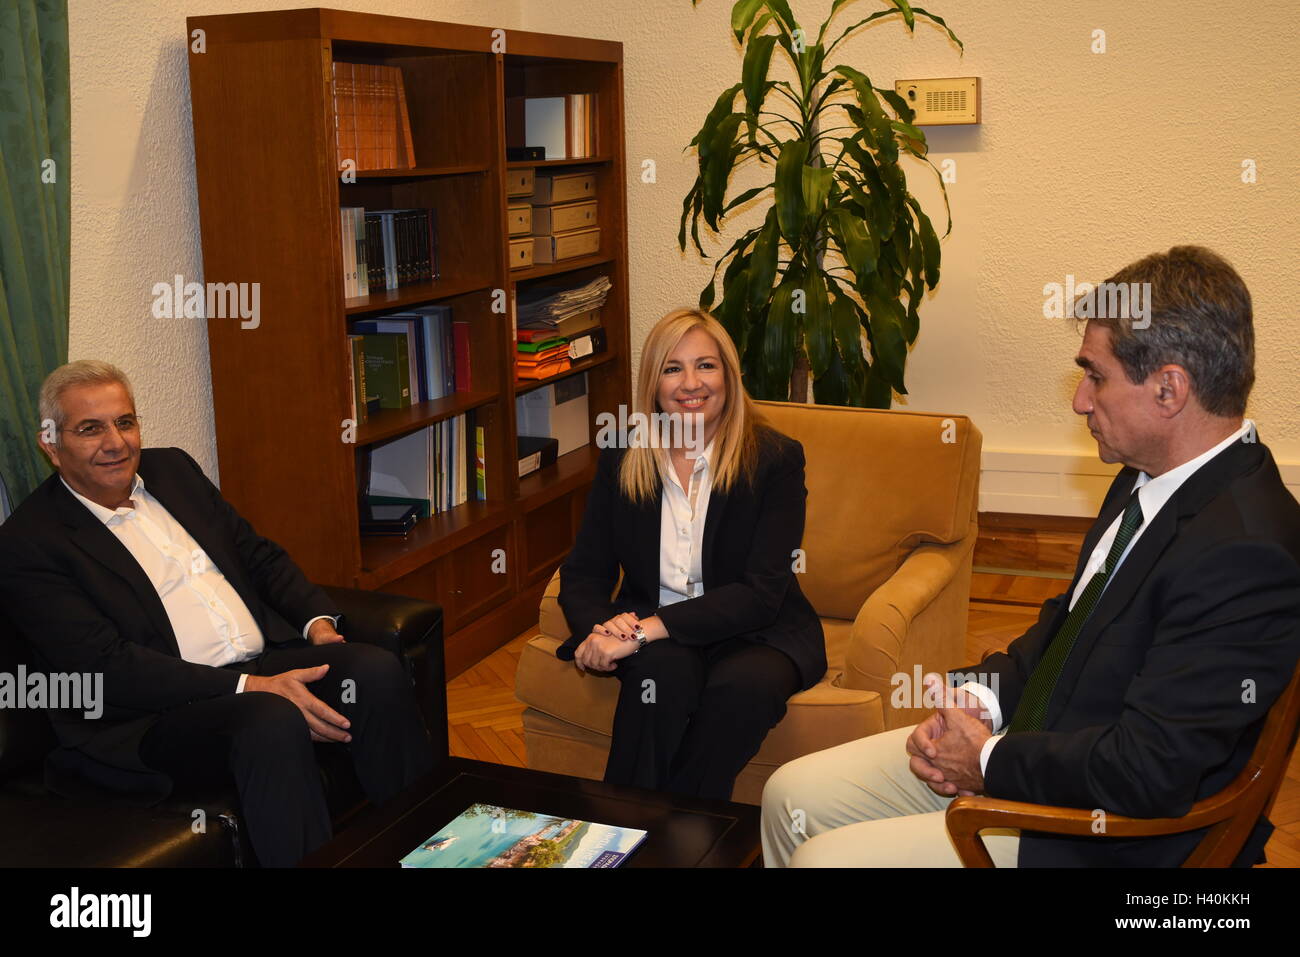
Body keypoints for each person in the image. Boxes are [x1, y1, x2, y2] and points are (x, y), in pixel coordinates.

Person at [762, 245, 1300, 867]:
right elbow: (1068, 628)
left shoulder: (1246, 551)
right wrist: (980, 701)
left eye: (1096, 376)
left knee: (825, 860)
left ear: (1169, 389)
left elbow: (1151, 770)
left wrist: (984, 760)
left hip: (1107, 840)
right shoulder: (1147, 474)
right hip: (1042, 755)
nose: (1079, 400)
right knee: (788, 795)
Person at [0, 360, 434, 866]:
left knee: (373, 669)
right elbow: (105, 666)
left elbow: (258, 555)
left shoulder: (172, 471)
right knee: (268, 719)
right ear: (50, 445)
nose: (115, 443)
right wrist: (249, 688)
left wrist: (318, 623)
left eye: (125, 421)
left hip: (255, 667)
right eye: (90, 429)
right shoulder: (30, 543)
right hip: (155, 714)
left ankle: (424, 848)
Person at [555, 308, 826, 800]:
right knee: (657, 683)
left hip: (757, 632)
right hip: (660, 628)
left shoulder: (775, 460)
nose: (690, 383)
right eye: (672, 368)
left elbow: (762, 592)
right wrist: (599, 628)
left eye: (706, 365)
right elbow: (584, 570)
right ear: (653, 383)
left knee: (741, 692)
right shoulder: (625, 457)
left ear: (728, 375)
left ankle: (681, 831)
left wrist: (640, 632)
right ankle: (623, 829)